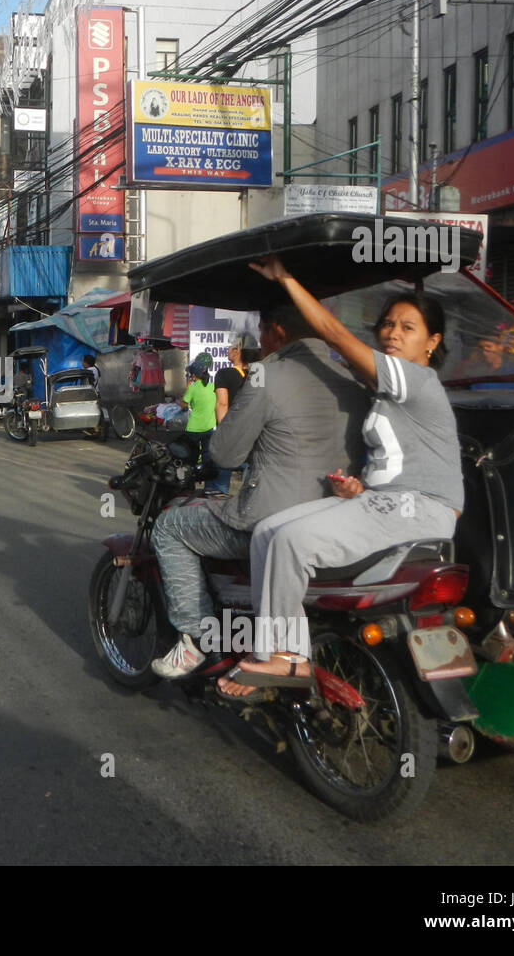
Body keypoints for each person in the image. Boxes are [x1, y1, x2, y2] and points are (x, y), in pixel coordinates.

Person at [217, 257, 464, 698]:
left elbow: (334, 335)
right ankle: (277, 652)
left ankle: (286, 657)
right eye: (388, 324)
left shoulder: (415, 380)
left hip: (421, 509)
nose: (392, 333)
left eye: (408, 327)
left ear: (433, 342)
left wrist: (287, 278)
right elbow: (400, 461)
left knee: (294, 541)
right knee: (267, 531)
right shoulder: (387, 394)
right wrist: (359, 487)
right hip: (388, 503)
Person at [148, 301, 367, 680]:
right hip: (337, 520)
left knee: (169, 528)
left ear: (277, 331)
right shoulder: (349, 376)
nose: (260, 342)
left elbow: (226, 453)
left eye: (262, 332)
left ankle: (196, 639)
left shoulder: (268, 375)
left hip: (270, 521)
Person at [210, 335, 263, 493]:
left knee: (221, 484)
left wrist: (223, 431)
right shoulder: (257, 373)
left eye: (230, 347)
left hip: (232, 432)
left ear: (238, 350)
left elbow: (222, 403)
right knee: (250, 485)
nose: (227, 350)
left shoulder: (224, 374)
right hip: (252, 434)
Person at [181, 352, 219, 492]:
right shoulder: (212, 386)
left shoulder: (193, 387)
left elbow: (184, 405)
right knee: (207, 457)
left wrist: (188, 387)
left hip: (194, 429)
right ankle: (208, 486)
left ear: (194, 376)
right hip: (209, 427)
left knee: (190, 457)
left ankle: (189, 485)